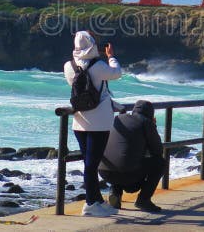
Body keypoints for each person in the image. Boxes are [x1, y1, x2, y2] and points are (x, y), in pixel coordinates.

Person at [64, 31, 122, 217]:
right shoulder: (99, 66)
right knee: (91, 165)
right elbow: (117, 73)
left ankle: (96, 201)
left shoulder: (69, 66)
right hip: (100, 122)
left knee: (90, 163)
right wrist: (111, 57)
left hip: (79, 121)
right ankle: (90, 204)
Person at [99, 100, 165, 213]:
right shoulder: (146, 122)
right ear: (151, 114)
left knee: (121, 158)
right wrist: (153, 126)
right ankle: (143, 200)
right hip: (128, 174)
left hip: (104, 171)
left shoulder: (118, 118)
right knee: (160, 163)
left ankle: (115, 193)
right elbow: (157, 150)